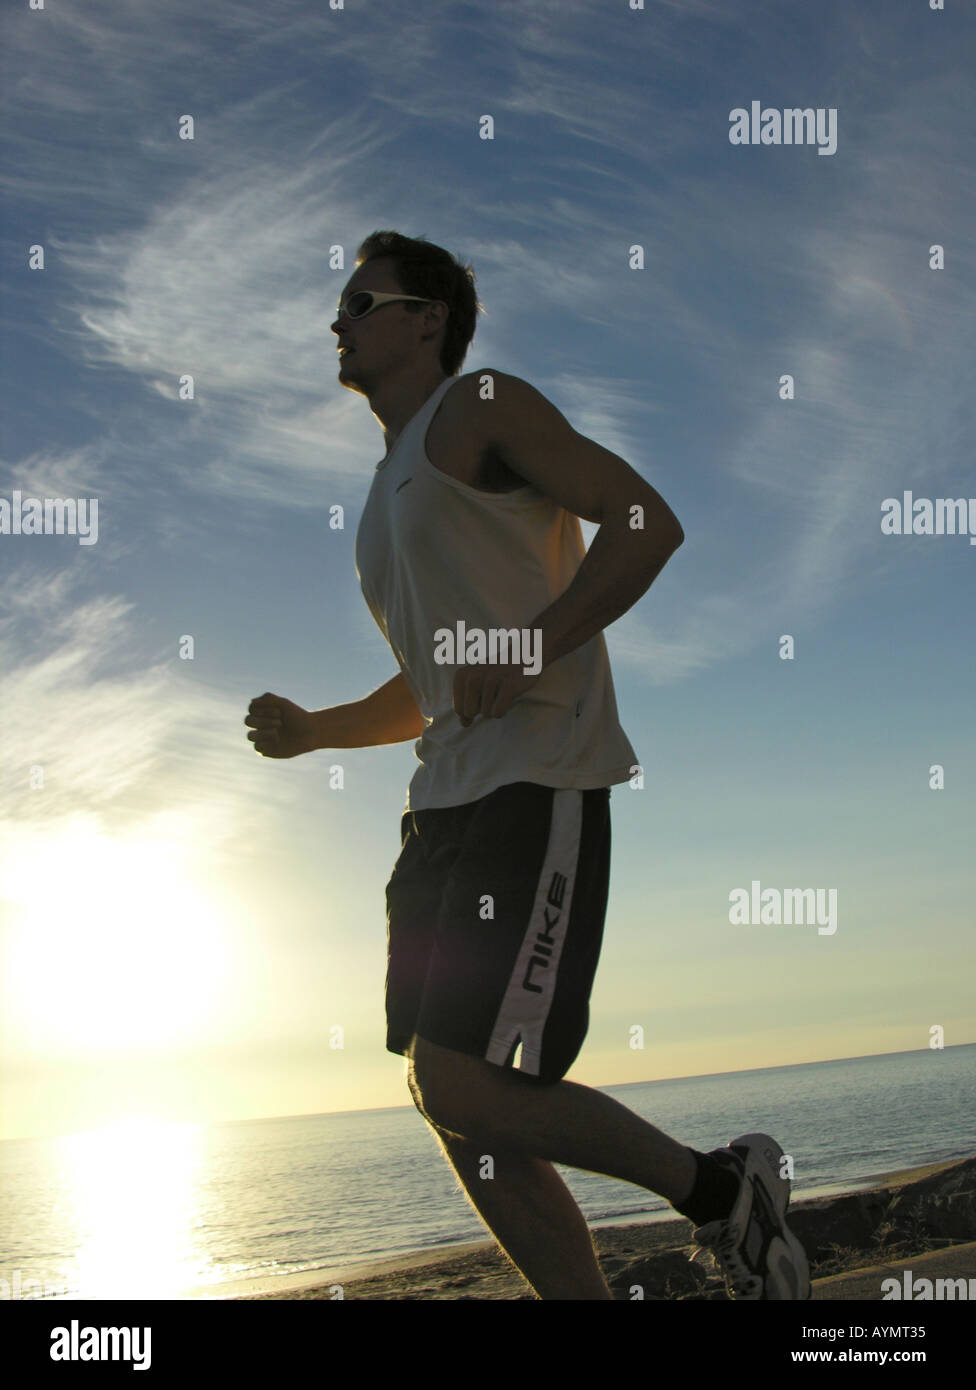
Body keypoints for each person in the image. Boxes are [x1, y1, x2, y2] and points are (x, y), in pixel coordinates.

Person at [245, 230, 810, 1301]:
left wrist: (536, 642)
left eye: (362, 300)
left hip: (533, 778)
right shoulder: (386, 490)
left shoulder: (482, 406)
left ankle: (722, 1191)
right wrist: (316, 728)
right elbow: (430, 683)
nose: (340, 321)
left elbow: (647, 521)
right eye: (340, 306)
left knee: (466, 1078)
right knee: (443, 1090)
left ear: (427, 320)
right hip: (442, 804)